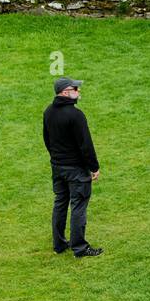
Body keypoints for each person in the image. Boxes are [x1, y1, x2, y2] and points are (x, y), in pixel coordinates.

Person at [43, 77, 103, 258]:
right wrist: (94, 167)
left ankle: (59, 244)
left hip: (57, 167)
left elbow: (47, 139)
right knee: (78, 206)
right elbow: (85, 145)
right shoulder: (76, 115)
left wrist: (56, 159)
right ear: (65, 92)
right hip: (76, 170)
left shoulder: (48, 112)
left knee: (60, 203)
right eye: (75, 88)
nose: (78, 91)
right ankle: (80, 248)